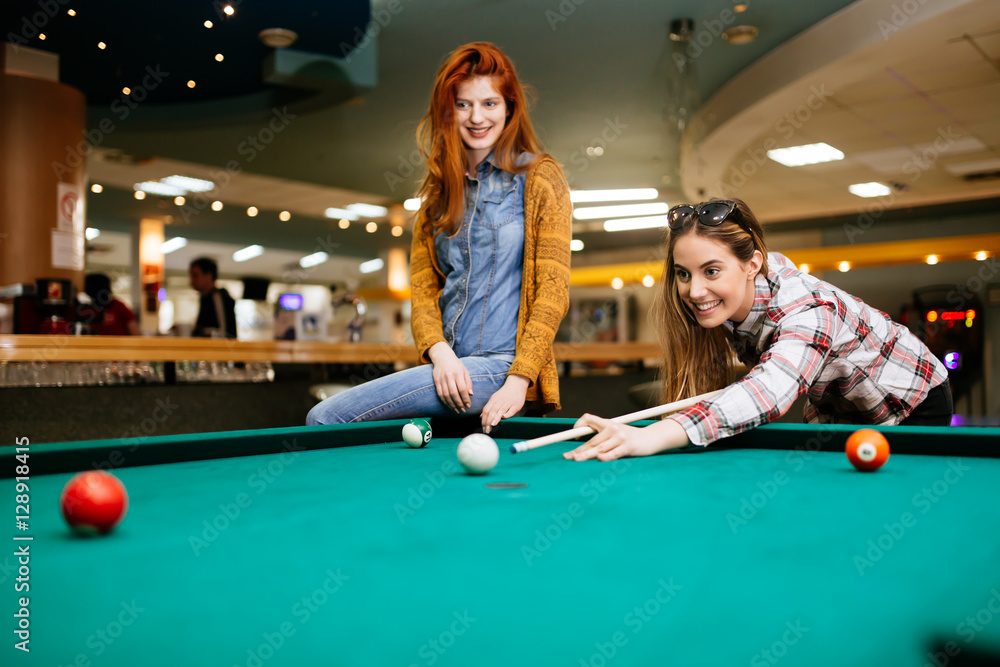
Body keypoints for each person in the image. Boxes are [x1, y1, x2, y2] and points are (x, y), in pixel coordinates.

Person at [307, 42, 572, 431]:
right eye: (463, 104)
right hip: (446, 367)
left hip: (502, 368)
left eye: (490, 103)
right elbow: (424, 297)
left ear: (510, 107)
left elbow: (553, 291)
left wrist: (520, 380)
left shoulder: (539, 178)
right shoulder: (435, 199)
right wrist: (441, 355)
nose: (476, 117)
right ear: (448, 112)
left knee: (325, 416)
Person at [566, 198, 952, 461]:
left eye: (711, 271)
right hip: (836, 405)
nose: (694, 291)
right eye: (684, 274)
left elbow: (769, 391)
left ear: (752, 265)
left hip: (910, 400)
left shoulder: (808, 312)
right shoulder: (747, 284)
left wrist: (652, 435)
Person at [189, 257, 237, 338]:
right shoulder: (204, 298)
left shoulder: (218, 297)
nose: (191, 280)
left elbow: (224, 332)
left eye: (195, 275)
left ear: (209, 276)